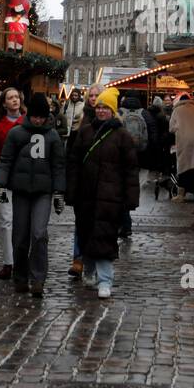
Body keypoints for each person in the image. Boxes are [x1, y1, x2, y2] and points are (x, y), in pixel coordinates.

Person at [65, 87, 139, 298]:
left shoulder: (122, 135)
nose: (101, 111)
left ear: (113, 110)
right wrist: (71, 191)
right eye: (99, 107)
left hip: (110, 196)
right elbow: (74, 163)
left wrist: (130, 198)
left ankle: (105, 279)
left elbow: (130, 169)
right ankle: (89, 271)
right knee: (87, 232)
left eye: (105, 107)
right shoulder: (85, 132)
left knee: (105, 237)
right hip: (86, 194)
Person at [0, 92, 66, 297]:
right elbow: (5, 161)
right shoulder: (16, 134)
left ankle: (38, 279)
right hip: (21, 191)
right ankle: (21, 276)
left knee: (39, 234)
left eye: (41, 117)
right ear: (30, 115)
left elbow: (59, 166)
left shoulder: (52, 136)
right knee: (20, 236)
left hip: (43, 192)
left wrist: (59, 192)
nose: (38, 120)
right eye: (35, 116)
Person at [0, 87, 24, 280]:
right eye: (11, 98)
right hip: (5, 181)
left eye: (17, 97)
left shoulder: (27, 123)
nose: (15, 100)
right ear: (4, 103)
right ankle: (9, 262)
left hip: (25, 182)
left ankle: (22, 259)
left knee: (23, 222)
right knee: (6, 221)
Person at [116, 95, 148, 237]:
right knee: (127, 190)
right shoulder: (142, 114)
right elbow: (147, 135)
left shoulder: (119, 114)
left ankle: (122, 224)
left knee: (119, 191)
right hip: (135, 155)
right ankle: (126, 223)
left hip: (119, 157)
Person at [169, 92, 194, 201]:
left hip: (185, 139)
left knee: (184, 165)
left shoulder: (177, 110)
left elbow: (171, 128)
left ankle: (181, 194)